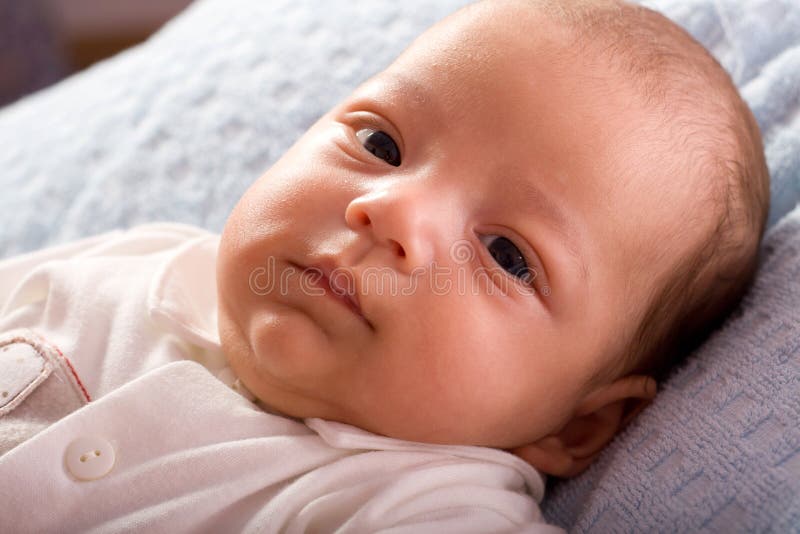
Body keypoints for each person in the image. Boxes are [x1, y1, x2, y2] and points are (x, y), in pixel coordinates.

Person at [0, 0, 769, 531]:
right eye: (380, 145)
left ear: (580, 424)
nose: (391, 210)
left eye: (507, 255)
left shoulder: (411, 507)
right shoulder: (137, 264)